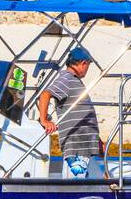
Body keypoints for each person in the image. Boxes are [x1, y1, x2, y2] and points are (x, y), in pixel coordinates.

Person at [38, 46, 102, 178]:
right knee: (76, 186)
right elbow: (45, 94)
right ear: (83, 63)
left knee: (87, 182)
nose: (87, 70)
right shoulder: (67, 78)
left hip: (85, 145)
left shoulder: (73, 80)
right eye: (88, 65)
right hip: (77, 147)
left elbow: (82, 115)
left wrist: (97, 141)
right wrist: (44, 120)